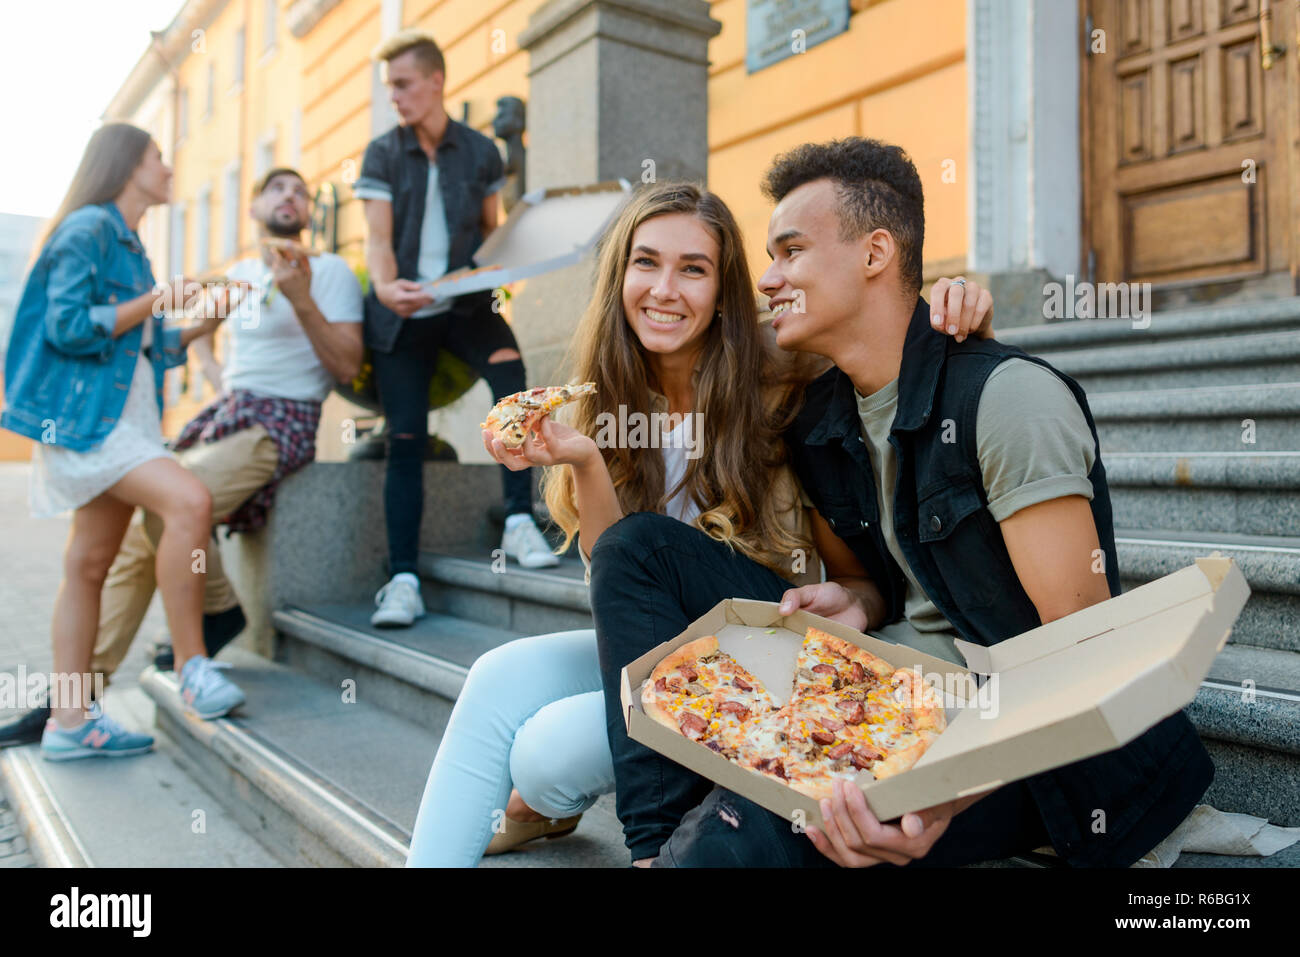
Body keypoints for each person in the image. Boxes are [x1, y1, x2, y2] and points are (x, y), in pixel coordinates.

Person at [589, 137, 1215, 868]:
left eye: (789, 251)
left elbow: (1084, 659)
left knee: (757, 820)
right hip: (883, 689)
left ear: (875, 253)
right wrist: (854, 602)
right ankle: (652, 849)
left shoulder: (1009, 400)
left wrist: (943, 791)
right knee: (637, 546)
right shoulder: (821, 424)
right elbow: (868, 585)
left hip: (1028, 755)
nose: (766, 278)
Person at [403, 180, 992, 866]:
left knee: (546, 752)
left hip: (769, 648)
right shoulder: (607, 393)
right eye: (645, 262)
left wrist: (952, 302)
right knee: (496, 673)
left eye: (694, 269)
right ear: (619, 273)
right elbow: (616, 573)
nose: (665, 288)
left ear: (721, 290)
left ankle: (625, 836)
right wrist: (586, 461)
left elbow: (876, 334)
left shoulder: (785, 377)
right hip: (665, 641)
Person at [0, 167, 364, 748]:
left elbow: (346, 365)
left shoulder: (333, 272)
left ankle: (211, 616)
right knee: (119, 548)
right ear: (253, 209)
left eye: (299, 190)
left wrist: (301, 301)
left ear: (311, 211)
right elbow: (182, 341)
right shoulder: (239, 274)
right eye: (276, 188)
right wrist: (214, 361)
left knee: (175, 499)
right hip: (229, 411)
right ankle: (72, 702)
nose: (289, 196)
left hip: (282, 416)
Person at [0, 123, 245, 759]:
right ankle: (193, 666)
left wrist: (203, 319)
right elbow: (69, 327)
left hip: (122, 420)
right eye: (159, 157)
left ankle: (70, 724)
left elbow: (149, 348)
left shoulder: (132, 246)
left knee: (88, 564)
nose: (168, 168)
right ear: (128, 163)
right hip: (91, 424)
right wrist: (158, 298)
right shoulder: (87, 229)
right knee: (188, 502)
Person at [356, 28, 554, 632]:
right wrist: (388, 289)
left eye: (403, 84)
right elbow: (378, 240)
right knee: (406, 441)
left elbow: (492, 234)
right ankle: (403, 580)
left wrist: (503, 269)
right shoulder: (383, 153)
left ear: (436, 81)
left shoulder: (480, 152)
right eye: (389, 86)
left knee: (511, 378)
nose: (394, 96)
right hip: (404, 312)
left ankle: (519, 519)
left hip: (469, 304)